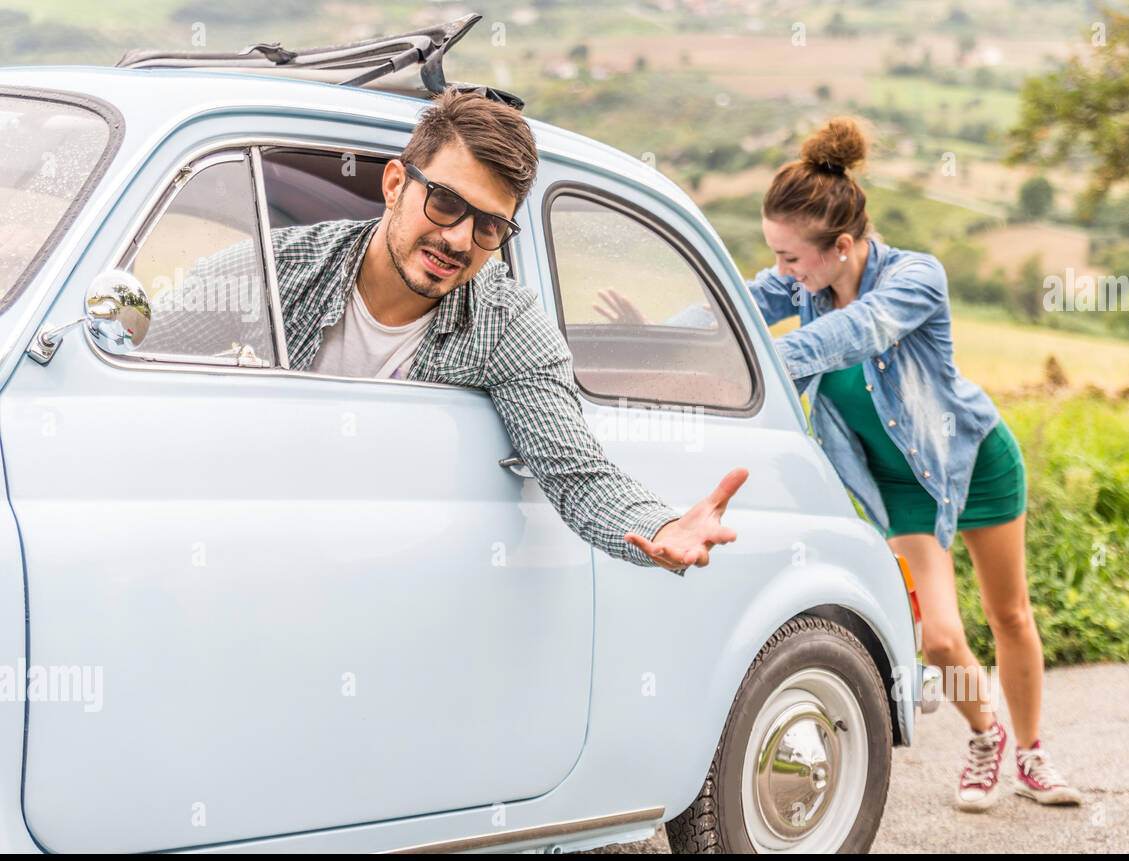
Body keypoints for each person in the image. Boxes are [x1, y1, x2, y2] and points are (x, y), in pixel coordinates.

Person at [145, 89, 747, 574]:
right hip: (262, 552)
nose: (459, 238)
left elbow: (575, 472)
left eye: (489, 226)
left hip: (402, 572)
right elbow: (129, 367)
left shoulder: (506, 325)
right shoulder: (275, 272)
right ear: (393, 185)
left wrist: (662, 527)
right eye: (445, 203)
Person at [747, 116, 1081, 812]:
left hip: (972, 463)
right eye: (775, 257)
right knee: (937, 636)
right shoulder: (802, 286)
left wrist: (764, 361)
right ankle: (986, 737)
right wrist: (662, 331)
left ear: (840, 247)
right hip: (898, 488)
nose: (782, 272)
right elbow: (737, 305)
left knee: (1009, 613)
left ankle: (1033, 753)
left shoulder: (915, 279)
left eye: (791, 258)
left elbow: (855, 333)